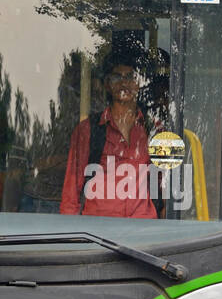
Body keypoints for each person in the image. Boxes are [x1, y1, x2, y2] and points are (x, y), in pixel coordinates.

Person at [60, 53, 156, 219]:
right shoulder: (88, 129)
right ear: (106, 84)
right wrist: (71, 233)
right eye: (116, 77)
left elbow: (165, 183)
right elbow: (71, 188)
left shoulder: (153, 129)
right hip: (99, 228)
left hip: (143, 227)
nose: (124, 82)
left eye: (130, 77)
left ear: (139, 83)